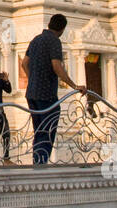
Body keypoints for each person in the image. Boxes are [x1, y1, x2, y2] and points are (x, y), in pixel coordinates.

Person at [19, 14, 86, 166]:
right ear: (62, 29)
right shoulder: (54, 41)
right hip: (46, 94)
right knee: (48, 129)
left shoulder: (36, 39)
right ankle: (41, 163)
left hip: (32, 93)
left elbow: (24, 63)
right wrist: (75, 86)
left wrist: (34, 80)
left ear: (49, 24)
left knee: (39, 130)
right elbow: (57, 66)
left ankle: (38, 161)